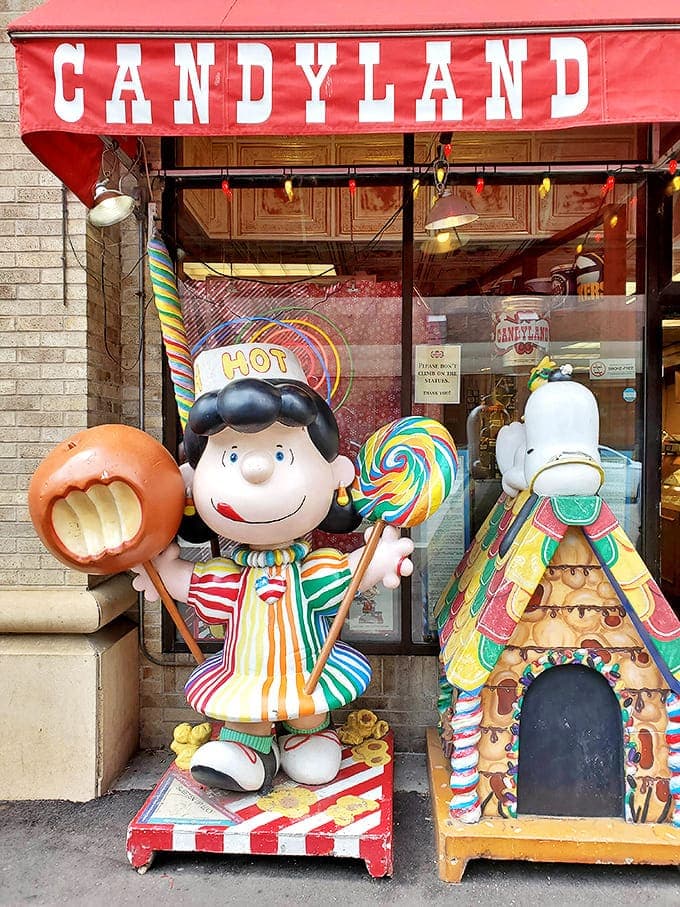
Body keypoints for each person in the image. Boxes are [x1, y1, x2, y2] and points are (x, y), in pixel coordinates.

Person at [132, 344, 413, 794]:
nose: (257, 468)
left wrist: (378, 558)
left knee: (307, 708)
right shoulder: (230, 577)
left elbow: (346, 576)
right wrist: (163, 573)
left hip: (306, 669)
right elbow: (195, 584)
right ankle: (249, 748)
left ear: (335, 474)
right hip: (244, 672)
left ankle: (309, 734)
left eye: (282, 453)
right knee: (246, 711)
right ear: (192, 482)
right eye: (230, 456)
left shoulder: (310, 572)